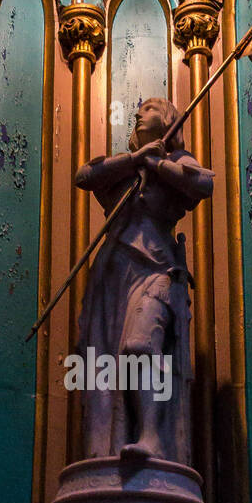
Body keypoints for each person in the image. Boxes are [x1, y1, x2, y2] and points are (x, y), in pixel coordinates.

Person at [74, 97, 213, 464]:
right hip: (114, 275)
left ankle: (152, 437)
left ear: (167, 119)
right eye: (137, 112)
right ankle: (108, 447)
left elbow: (203, 185)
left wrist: (157, 163)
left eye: (148, 108)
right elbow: (84, 176)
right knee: (104, 366)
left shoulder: (178, 161)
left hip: (156, 271)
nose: (138, 114)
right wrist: (136, 160)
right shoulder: (124, 167)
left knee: (139, 347)